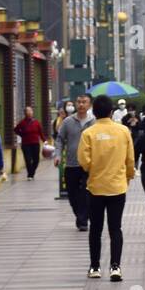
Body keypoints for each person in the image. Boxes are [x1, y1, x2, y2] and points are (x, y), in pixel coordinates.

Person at [77, 94, 135, 281]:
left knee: (96, 228)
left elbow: (83, 161)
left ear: (94, 111)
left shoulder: (88, 134)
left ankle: (95, 267)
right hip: (117, 187)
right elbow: (130, 159)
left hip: (95, 187)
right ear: (111, 111)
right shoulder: (124, 131)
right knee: (115, 228)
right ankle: (115, 267)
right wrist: (128, 176)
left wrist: (94, 169)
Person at [56, 94, 94, 230]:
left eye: (84, 102)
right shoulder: (68, 122)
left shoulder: (94, 122)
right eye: (78, 102)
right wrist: (58, 155)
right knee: (72, 195)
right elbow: (60, 139)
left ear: (89, 105)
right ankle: (80, 215)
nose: (81, 105)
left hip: (89, 165)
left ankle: (83, 220)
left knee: (85, 193)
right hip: (71, 164)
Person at [14, 106, 45, 179]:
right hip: (26, 144)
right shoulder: (22, 123)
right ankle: (30, 175)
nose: (30, 112)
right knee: (28, 160)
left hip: (35, 143)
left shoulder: (36, 122)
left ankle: (32, 172)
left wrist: (44, 141)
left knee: (36, 160)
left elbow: (41, 133)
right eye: (28, 111)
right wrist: (22, 135)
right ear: (25, 113)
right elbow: (16, 130)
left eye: (31, 111)